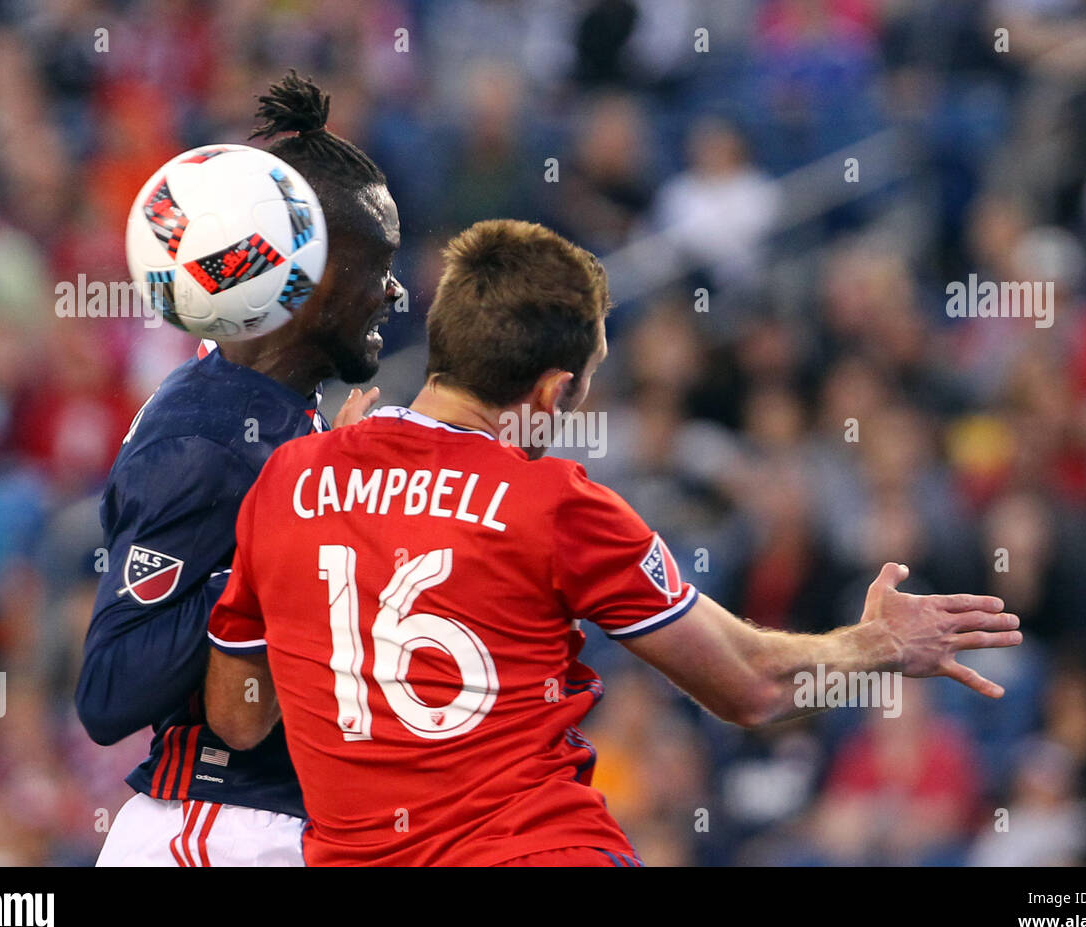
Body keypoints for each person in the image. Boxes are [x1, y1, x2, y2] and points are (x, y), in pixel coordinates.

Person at [203, 220, 1021, 867]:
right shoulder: (555, 504)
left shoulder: (289, 480)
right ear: (555, 389)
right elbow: (752, 690)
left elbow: (237, 719)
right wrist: (876, 643)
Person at [76, 71, 403, 866]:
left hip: (290, 828)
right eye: (379, 265)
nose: (395, 292)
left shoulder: (287, 420)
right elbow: (110, 690)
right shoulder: (207, 430)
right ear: (315, 274)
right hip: (214, 829)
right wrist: (288, 528)